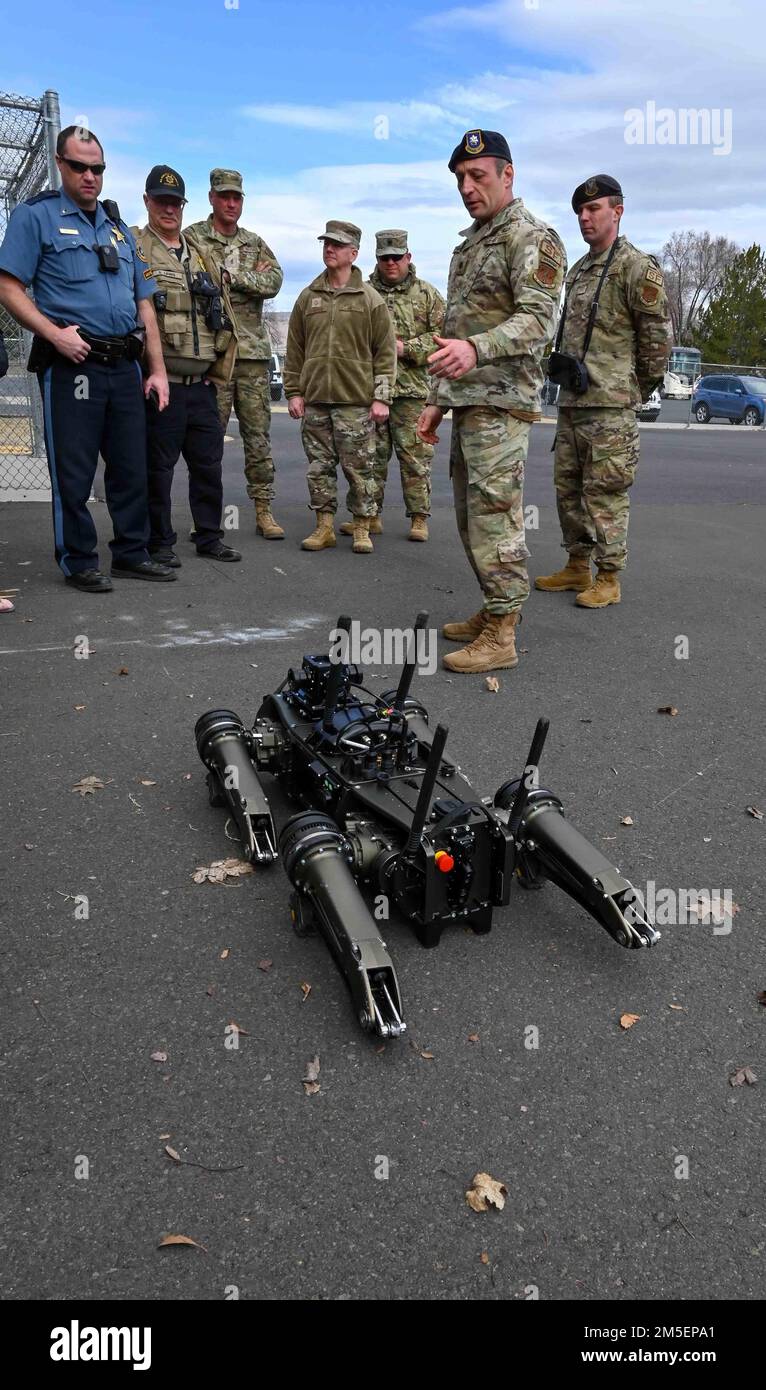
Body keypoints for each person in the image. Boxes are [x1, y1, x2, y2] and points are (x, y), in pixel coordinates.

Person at [417, 129, 566, 672]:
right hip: (473, 402)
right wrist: (439, 400)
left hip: (503, 404)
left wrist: (476, 350)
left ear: (508, 175)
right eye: (460, 178)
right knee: (469, 514)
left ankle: (503, 633)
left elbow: (538, 319)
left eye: (478, 175)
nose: (467, 186)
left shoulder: (531, 237)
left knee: (495, 515)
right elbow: (454, 332)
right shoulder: (471, 244)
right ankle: (493, 606)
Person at [0, 125, 173, 591]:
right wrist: (54, 335)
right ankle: (78, 560)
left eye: (97, 168)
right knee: (74, 473)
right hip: (73, 366)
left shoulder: (118, 228)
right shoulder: (35, 216)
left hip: (125, 365)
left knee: (130, 467)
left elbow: (143, 302)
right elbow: (8, 284)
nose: (90, 176)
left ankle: (131, 553)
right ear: (61, 164)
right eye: (79, 166)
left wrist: (156, 369)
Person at [535, 175, 670, 607]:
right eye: (580, 211)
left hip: (610, 408)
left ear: (618, 211)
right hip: (573, 401)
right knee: (568, 488)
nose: (585, 217)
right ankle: (577, 565)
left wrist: (632, 387)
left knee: (606, 492)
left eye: (594, 209)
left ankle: (608, 576)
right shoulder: (579, 269)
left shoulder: (635, 267)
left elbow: (657, 341)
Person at [131, 165, 240, 566]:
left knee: (208, 466)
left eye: (175, 202)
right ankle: (160, 542)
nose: (169, 209)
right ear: (147, 202)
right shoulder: (136, 248)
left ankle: (209, 537)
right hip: (164, 383)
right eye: (161, 201)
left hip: (202, 384)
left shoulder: (198, 252)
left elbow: (221, 311)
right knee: (158, 470)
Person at [284, 220, 396, 554]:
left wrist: (382, 397)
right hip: (316, 400)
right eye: (326, 243)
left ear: (354, 253)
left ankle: (362, 527)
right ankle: (324, 527)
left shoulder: (369, 299)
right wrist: (293, 391)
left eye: (337, 244)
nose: (329, 248)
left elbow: (386, 351)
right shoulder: (308, 297)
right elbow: (295, 349)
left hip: (355, 402)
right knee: (319, 467)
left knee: (360, 468)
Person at [187, 170, 285, 539]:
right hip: (213, 355)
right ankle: (208, 517)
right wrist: (232, 281)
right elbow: (192, 282)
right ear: (211, 197)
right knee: (207, 439)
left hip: (252, 356)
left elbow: (274, 280)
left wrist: (234, 278)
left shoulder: (254, 242)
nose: (231, 203)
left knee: (257, 436)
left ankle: (264, 510)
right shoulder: (194, 239)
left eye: (237, 197)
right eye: (225, 196)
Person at [339, 229, 444, 543]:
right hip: (371, 392)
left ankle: (419, 518)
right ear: (377, 259)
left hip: (412, 392)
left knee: (415, 458)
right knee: (370, 457)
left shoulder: (427, 295)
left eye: (397, 257)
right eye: (385, 258)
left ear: (408, 257)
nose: (391, 263)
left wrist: (407, 349)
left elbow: (442, 337)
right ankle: (370, 516)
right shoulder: (363, 293)